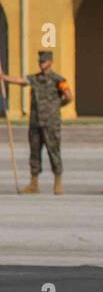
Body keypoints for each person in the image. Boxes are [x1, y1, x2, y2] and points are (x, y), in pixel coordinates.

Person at [1, 50, 72, 194]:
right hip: (35, 123)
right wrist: (4, 77)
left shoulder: (59, 80)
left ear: (50, 62)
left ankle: (57, 183)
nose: (41, 64)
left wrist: (57, 106)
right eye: (40, 61)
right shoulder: (35, 78)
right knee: (34, 153)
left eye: (44, 61)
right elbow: (21, 80)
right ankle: (34, 184)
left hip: (51, 123)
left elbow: (69, 96)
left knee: (54, 152)